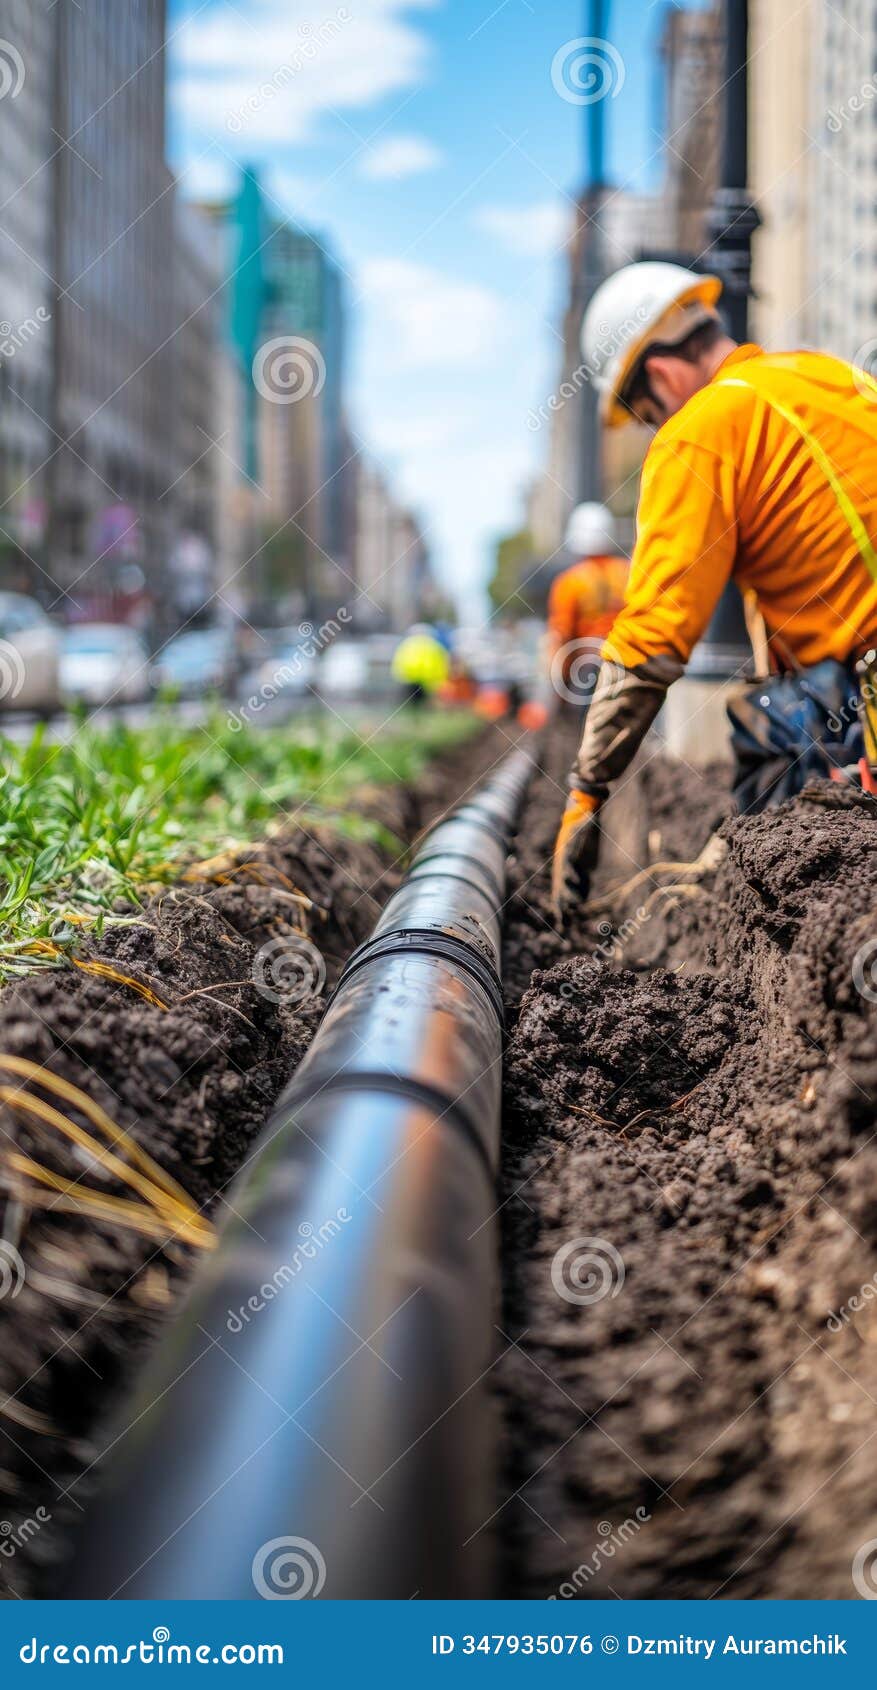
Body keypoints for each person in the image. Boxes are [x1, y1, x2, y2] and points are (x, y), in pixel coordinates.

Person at [552, 260, 877, 917]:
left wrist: (586, 793)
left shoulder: (698, 430)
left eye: (646, 413)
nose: (655, 426)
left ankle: (788, 928)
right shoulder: (823, 375)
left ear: (663, 374)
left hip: (863, 693)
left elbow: (651, 639)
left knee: (767, 737)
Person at [546, 502, 628, 704]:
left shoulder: (569, 582)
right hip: (628, 661)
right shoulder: (629, 573)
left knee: (590, 724)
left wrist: (559, 685)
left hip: (588, 666)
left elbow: (562, 634)